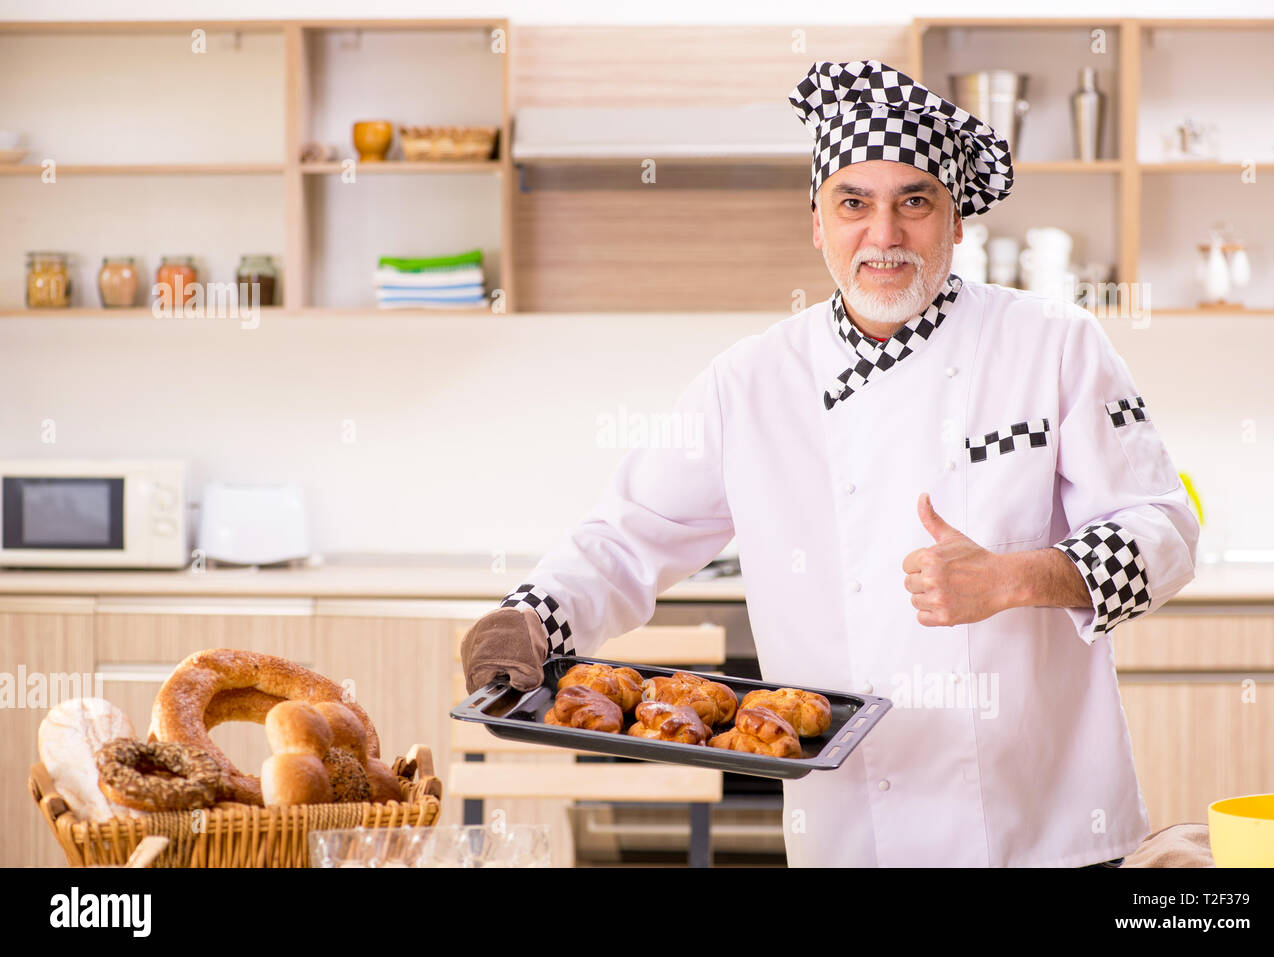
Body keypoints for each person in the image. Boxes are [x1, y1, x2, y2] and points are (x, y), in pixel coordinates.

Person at [461, 60, 1198, 867]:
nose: (883, 236)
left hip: (1049, 830)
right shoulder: (750, 381)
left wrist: (1020, 576)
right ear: (817, 222)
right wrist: (532, 616)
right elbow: (629, 534)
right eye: (854, 204)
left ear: (957, 222)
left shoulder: (1055, 345)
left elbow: (1165, 530)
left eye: (914, 201)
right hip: (852, 835)